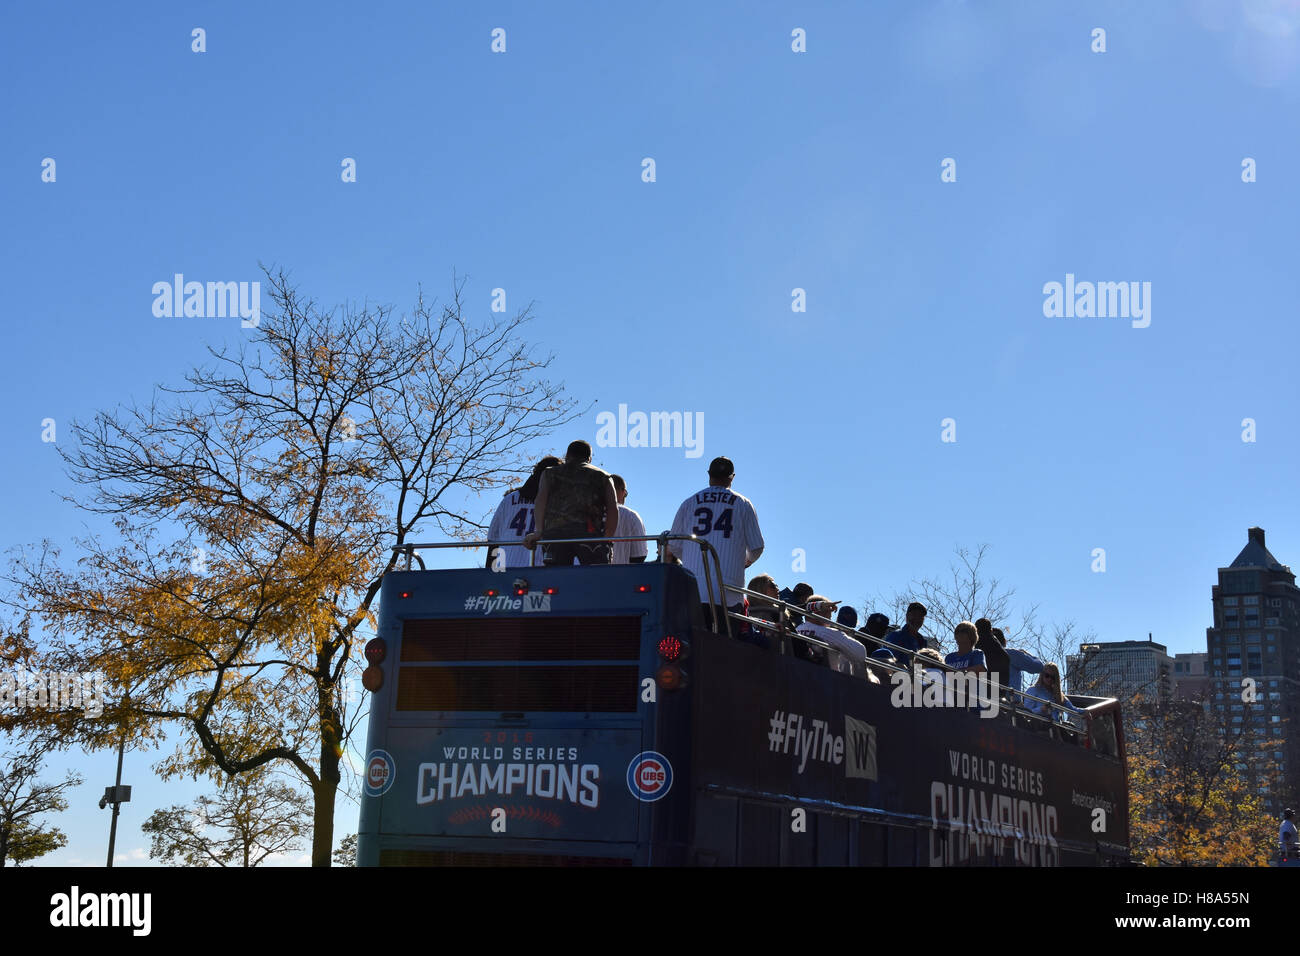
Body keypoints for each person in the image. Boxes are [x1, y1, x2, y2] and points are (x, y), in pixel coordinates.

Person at [666, 456, 764, 622]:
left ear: (709, 475)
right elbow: (756, 547)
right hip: (728, 593)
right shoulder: (743, 503)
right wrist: (744, 562)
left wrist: (691, 559)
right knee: (724, 644)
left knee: (693, 643)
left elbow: (674, 544)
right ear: (732, 477)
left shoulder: (689, 503)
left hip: (693, 590)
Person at [523, 440, 619, 566]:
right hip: (590, 536)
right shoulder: (604, 476)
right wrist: (607, 538)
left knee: (556, 579)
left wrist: (539, 531)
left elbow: (540, 502)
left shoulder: (549, 473)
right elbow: (613, 509)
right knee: (596, 579)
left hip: (555, 535)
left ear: (567, 456)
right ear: (589, 458)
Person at [485, 455, 561, 568]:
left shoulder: (510, 499)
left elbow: (493, 540)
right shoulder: (560, 503)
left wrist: (490, 574)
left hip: (507, 566)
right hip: (542, 569)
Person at [796, 596, 868, 676]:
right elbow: (861, 654)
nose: (831, 615)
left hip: (796, 675)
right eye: (829, 609)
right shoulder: (831, 634)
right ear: (819, 611)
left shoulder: (796, 630)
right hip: (827, 682)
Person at [993, 627, 1043, 698]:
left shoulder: (980, 657)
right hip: (1010, 704)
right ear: (1005, 641)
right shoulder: (1012, 655)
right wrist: (1027, 654)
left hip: (985, 702)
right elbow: (1039, 667)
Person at [609, 474, 647, 565]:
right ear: (622, 491)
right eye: (626, 494)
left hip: (585, 575)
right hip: (621, 576)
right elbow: (640, 556)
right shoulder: (631, 516)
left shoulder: (587, 513)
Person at [884, 603, 928, 667]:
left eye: (920, 616)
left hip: (916, 676)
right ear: (907, 616)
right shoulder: (896, 636)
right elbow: (886, 661)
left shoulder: (922, 641)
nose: (917, 619)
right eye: (914, 615)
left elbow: (920, 666)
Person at [975, 618, 1010, 693]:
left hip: (982, 689)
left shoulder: (977, 647)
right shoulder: (1000, 650)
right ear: (990, 630)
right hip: (998, 691)